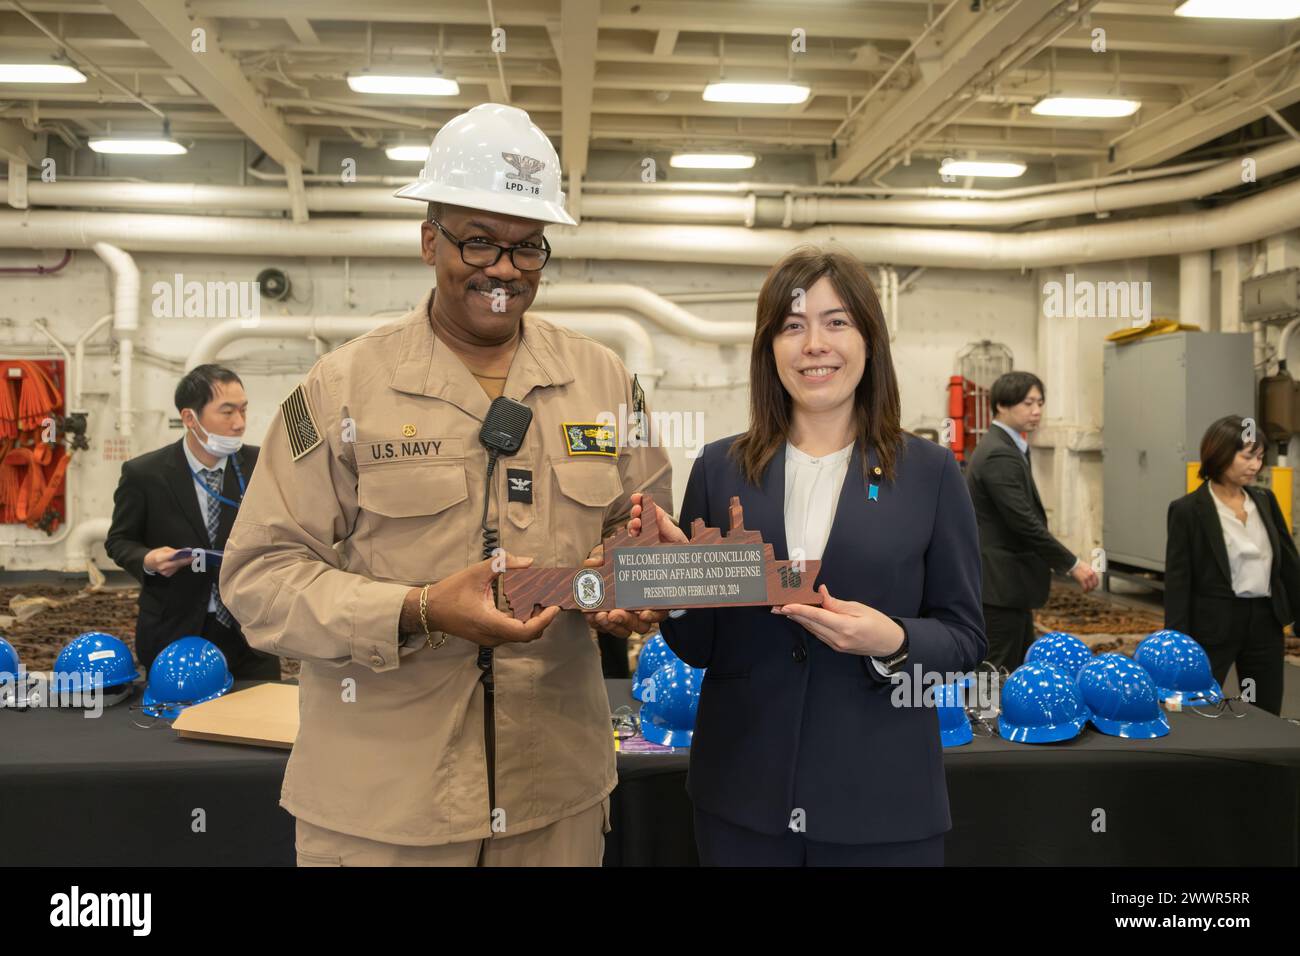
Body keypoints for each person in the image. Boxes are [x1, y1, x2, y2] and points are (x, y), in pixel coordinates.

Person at [219, 103, 671, 867]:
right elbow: (258, 581)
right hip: (386, 813)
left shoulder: (605, 382)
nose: (504, 269)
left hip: (552, 803)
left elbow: (640, 529)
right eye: (478, 241)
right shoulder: (340, 389)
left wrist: (632, 578)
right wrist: (419, 609)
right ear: (430, 241)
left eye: (527, 247)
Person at [635, 245, 985, 866]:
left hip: (882, 802)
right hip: (743, 800)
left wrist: (893, 640)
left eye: (836, 322)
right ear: (769, 348)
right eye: (793, 326)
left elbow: (965, 637)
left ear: (869, 340)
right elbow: (699, 646)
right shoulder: (720, 468)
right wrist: (677, 591)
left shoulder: (929, 473)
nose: (814, 344)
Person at [105, 364, 278, 679]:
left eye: (243, 410)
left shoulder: (262, 465)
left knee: (258, 708)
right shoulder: (145, 474)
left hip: (250, 634)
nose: (239, 423)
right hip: (174, 629)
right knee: (180, 710)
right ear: (189, 418)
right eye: (227, 412)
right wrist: (148, 559)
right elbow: (119, 541)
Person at [1165, 414, 1299, 715]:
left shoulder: (1265, 500)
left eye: (1260, 458)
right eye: (1247, 457)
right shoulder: (1187, 510)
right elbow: (1178, 580)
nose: (1255, 466)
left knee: (1266, 709)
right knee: (1198, 706)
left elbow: (1289, 563)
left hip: (1265, 620)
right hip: (1213, 622)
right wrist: (1175, 642)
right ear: (1221, 454)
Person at [965, 371, 1097, 671]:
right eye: (1028, 403)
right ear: (1001, 405)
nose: (1036, 411)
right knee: (996, 671)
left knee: (1018, 665)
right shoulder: (999, 453)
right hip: (1000, 585)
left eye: (1040, 403)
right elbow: (1023, 522)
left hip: (1010, 587)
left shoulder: (1005, 446)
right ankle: (983, 706)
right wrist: (1072, 564)